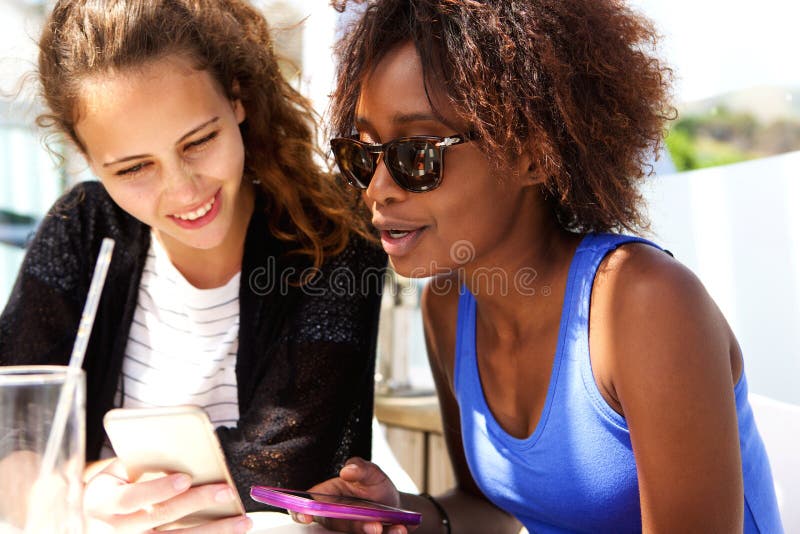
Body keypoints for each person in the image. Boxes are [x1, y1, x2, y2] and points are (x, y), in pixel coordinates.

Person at [300, 1, 785, 533]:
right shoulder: (448, 305)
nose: (376, 188)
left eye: (417, 154)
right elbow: (493, 513)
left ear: (531, 152)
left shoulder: (644, 304)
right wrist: (400, 514)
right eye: (364, 154)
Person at [0, 0, 386, 531]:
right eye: (134, 167)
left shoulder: (333, 243)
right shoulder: (83, 230)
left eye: (199, 141)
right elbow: (11, 426)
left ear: (236, 98)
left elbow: (289, 467)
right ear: (87, 156)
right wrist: (77, 491)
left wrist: (79, 482)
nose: (182, 190)